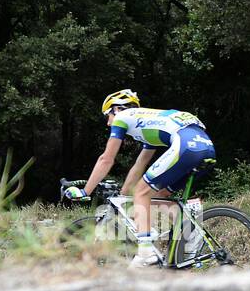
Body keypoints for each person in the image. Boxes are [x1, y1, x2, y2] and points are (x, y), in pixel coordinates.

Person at [63, 89, 216, 266]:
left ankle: (145, 251)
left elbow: (106, 159)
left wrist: (85, 191)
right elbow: (139, 164)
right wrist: (124, 193)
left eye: (108, 115)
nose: (108, 122)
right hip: (206, 149)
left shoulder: (123, 117)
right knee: (158, 196)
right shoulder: (148, 122)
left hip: (186, 146)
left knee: (141, 193)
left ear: (117, 109)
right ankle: (191, 228)